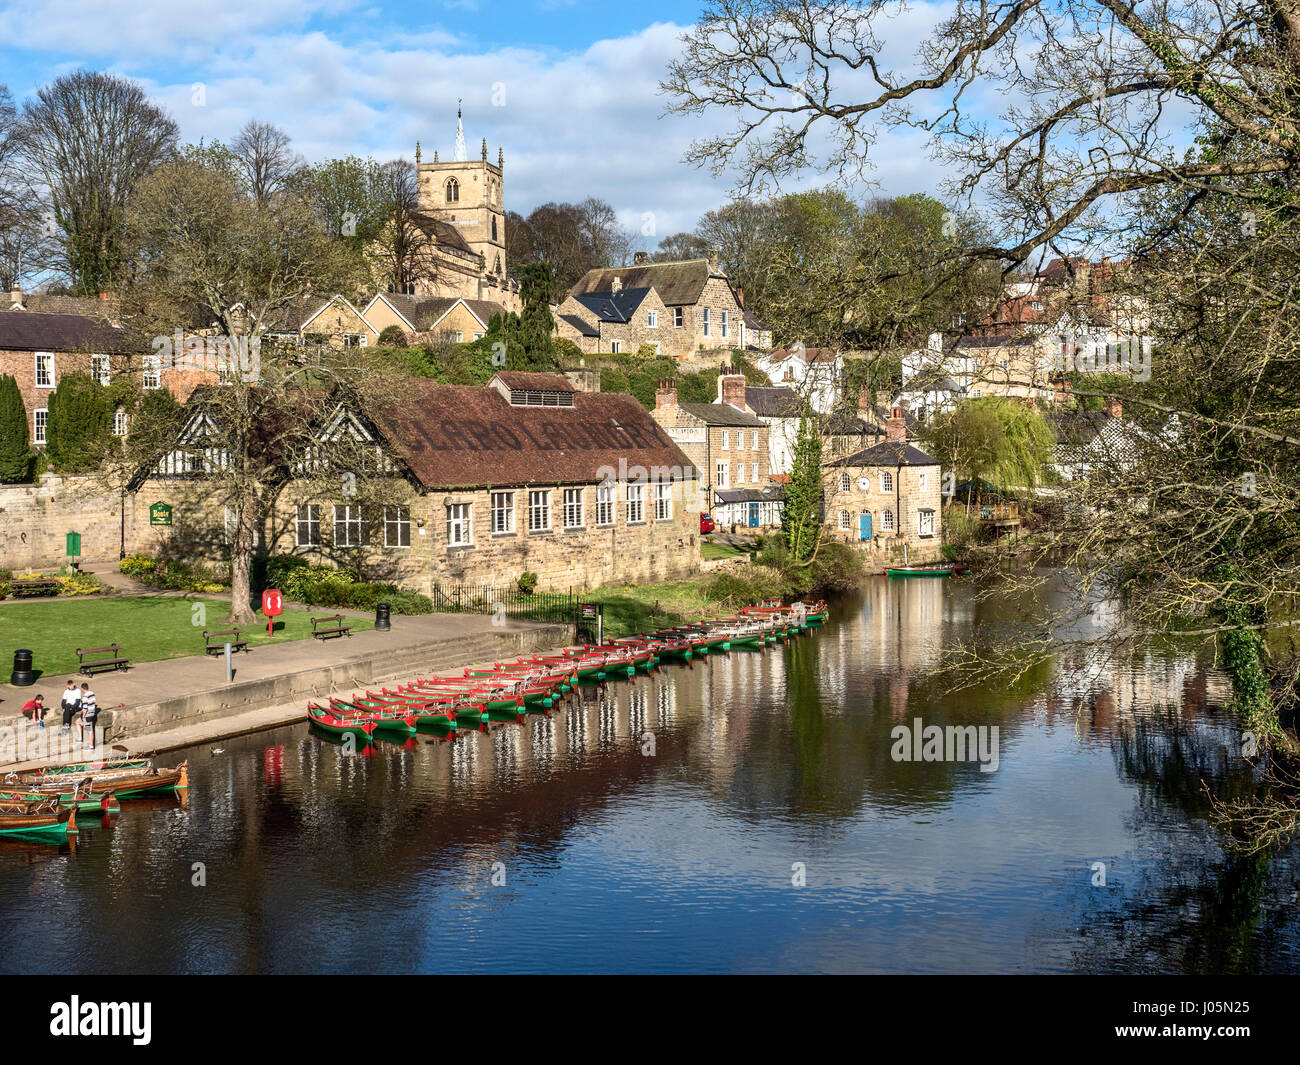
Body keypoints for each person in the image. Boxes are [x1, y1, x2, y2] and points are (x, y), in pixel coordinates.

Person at [79, 683, 98, 749]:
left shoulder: (85, 696)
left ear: (82, 689)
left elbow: (85, 708)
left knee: (89, 730)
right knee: (78, 722)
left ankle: (91, 746)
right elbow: (93, 702)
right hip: (92, 713)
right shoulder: (92, 693)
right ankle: (81, 739)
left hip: (88, 715)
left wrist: (83, 716)